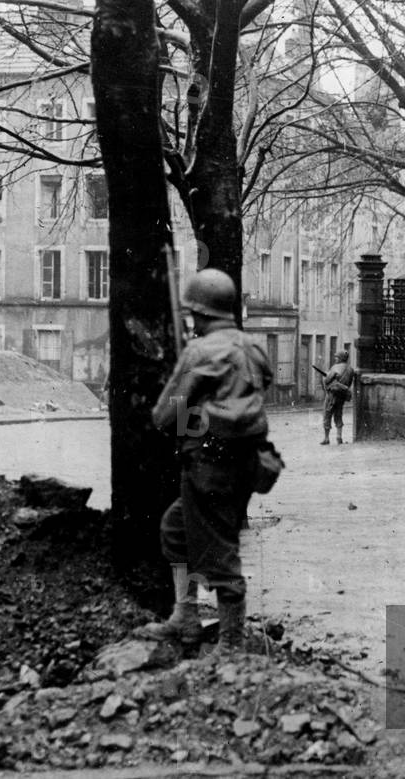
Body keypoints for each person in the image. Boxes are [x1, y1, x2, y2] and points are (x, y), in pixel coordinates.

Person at [137, 268, 274, 653]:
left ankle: (231, 642)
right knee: (176, 530)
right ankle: (186, 614)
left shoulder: (200, 352)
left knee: (219, 552)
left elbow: (165, 418)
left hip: (210, 466)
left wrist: (187, 388)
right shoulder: (254, 348)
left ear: (200, 313)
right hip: (246, 464)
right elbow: (258, 388)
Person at [320, 350, 354, 445]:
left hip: (332, 394)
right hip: (342, 395)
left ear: (341, 358)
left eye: (337, 357)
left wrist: (325, 377)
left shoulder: (335, 367)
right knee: (338, 414)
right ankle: (339, 437)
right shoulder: (351, 369)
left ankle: (326, 438)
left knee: (327, 414)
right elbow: (350, 382)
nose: (335, 359)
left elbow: (327, 380)